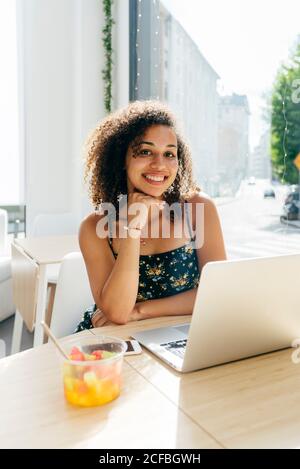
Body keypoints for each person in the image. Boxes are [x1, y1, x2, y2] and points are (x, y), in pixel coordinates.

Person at [75, 100, 226, 331]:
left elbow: (218, 292)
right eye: (145, 152)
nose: (159, 164)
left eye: (169, 154)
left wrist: (140, 311)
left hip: (183, 335)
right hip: (115, 339)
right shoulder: (95, 227)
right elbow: (117, 311)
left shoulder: (199, 209)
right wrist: (131, 229)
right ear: (121, 159)